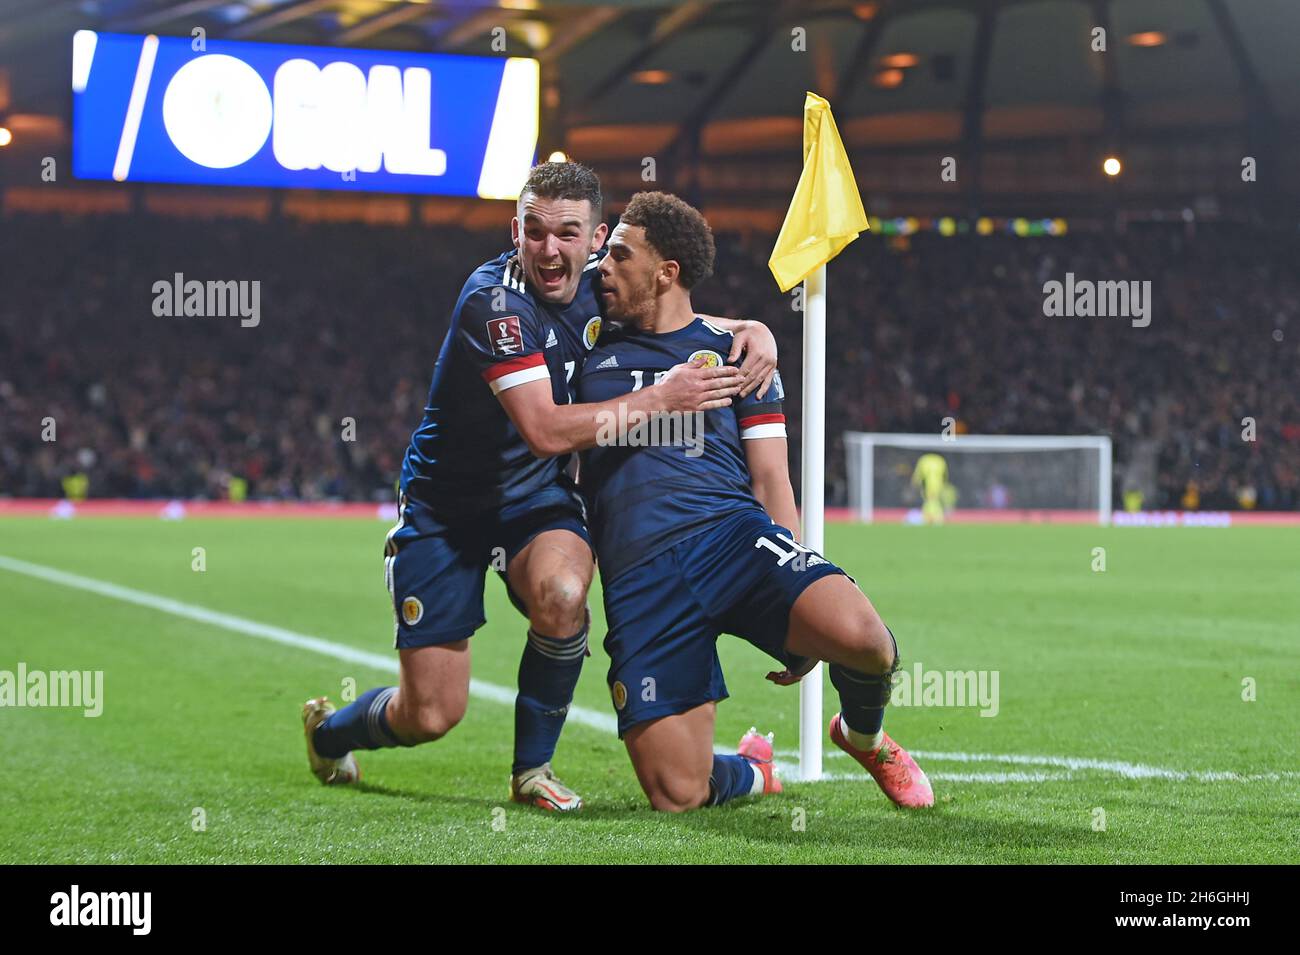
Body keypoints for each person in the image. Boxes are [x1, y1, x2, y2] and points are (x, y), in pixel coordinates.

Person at [301, 163, 778, 811]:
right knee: (431, 713)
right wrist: (661, 398)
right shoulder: (493, 303)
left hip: (535, 501)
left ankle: (532, 772)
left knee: (563, 593)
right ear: (516, 230)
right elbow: (547, 431)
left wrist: (752, 328)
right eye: (535, 231)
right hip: (447, 511)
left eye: (567, 234)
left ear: (597, 239)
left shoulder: (598, 289)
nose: (549, 250)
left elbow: (679, 314)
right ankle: (329, 733)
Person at [577, 191, 933, 811]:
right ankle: (753, 772)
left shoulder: (739, 355)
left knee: (868, 642)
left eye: (619, 256)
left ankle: (863, 736)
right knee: (677, 794)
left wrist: (790, 579)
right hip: (640, 577)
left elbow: (771, 479)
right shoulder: (583, 343)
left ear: (666, 273)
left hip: (732, 539)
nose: (601, 266)